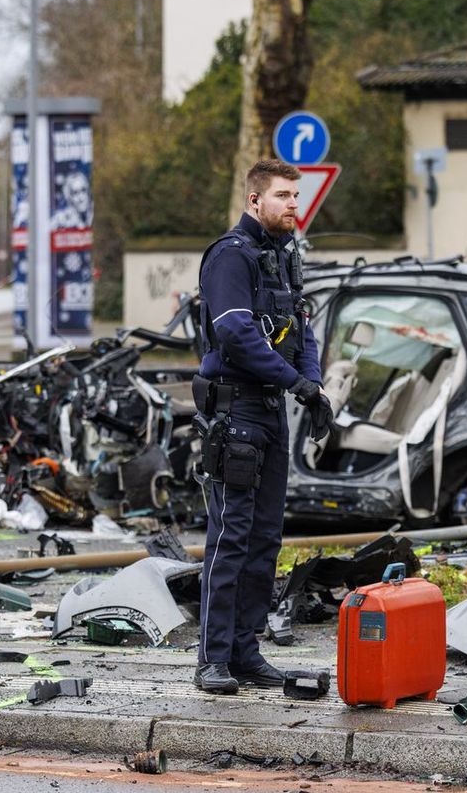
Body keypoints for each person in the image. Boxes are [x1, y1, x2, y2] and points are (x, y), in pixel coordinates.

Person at [193, 158, 333, 695]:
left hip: (271, 410)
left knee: (265, 538)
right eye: (283, 196)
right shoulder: (231, 256)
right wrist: (296, 383)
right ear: (255, 200)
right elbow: (236, 335)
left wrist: (312, 385)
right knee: (230, 536)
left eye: (296, 196)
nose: (293, 205)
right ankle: (213, 659)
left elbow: (302, 329)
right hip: (237, 413)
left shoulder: (282, 256)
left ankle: (245, 653)